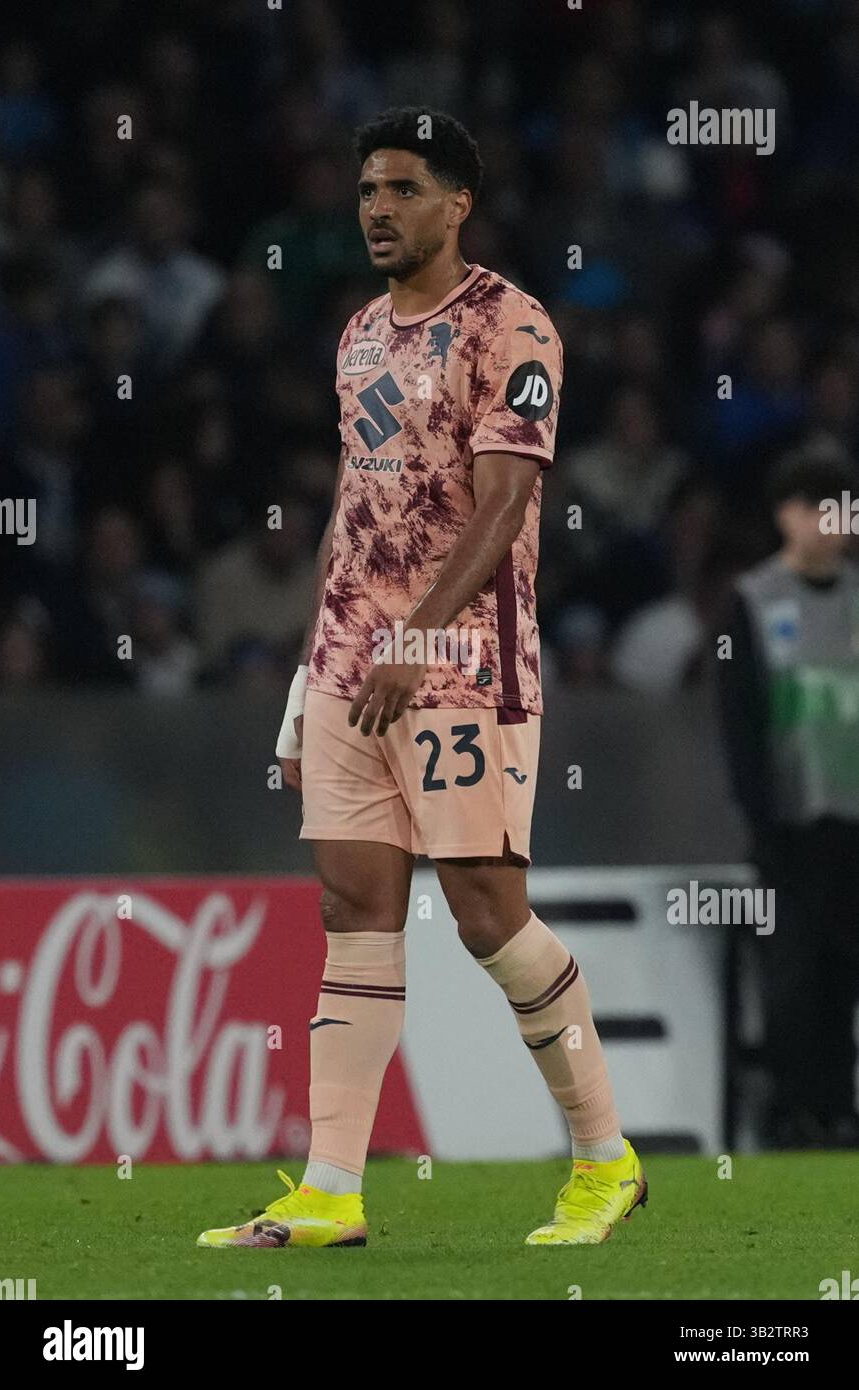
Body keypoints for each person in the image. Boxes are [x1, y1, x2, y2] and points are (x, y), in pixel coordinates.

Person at [198, 107, 646, 1250]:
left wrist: (423, 634)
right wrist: (313, 672)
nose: (376, 211)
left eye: (401, 190)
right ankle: (331, 1187)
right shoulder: (354, 336)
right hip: (354, 665)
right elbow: (354, 513)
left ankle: (603, 1160)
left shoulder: (512, 324)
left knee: (490, 920)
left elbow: (504, 503)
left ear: (457, 203)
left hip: (459, 670)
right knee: (352, 908)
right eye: (365, 192)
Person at [718, 453, 859, 1149]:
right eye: (821, 510)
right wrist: (761, 817)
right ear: (787, 515)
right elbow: (739, 721)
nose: (836, 527)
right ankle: (792, 1111)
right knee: (792, 974)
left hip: (854, 823)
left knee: (845, 972)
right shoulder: (755, 599)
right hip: (790, 828)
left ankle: (839, 1108)